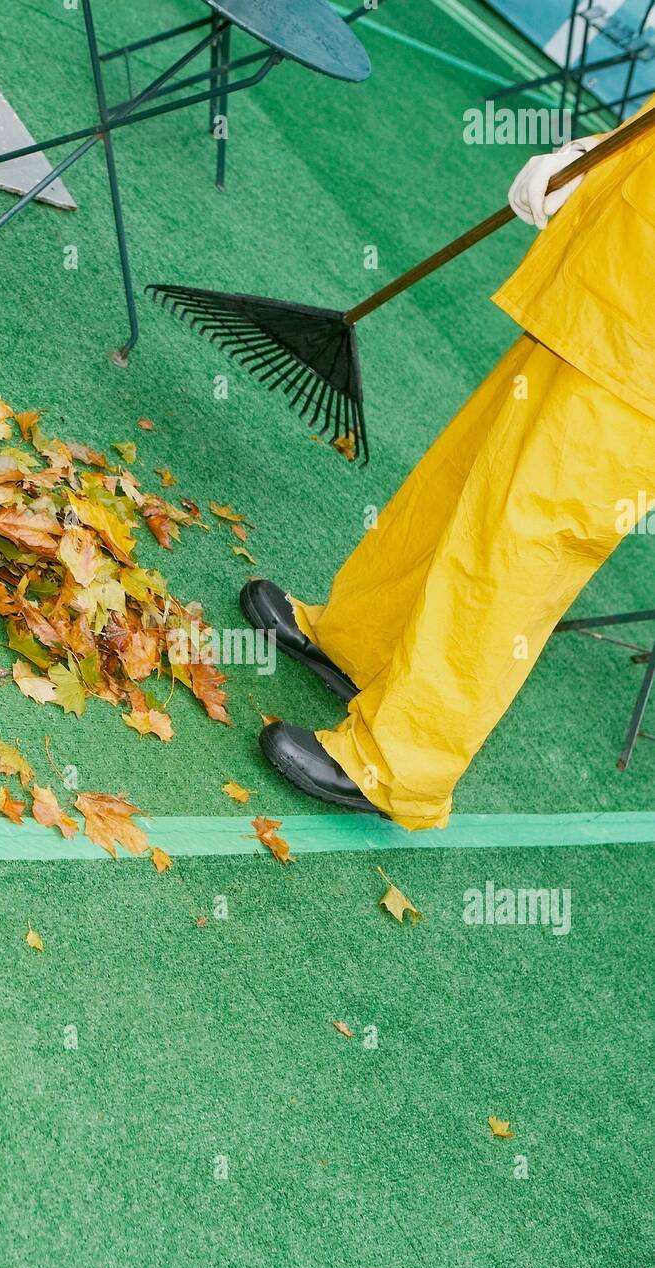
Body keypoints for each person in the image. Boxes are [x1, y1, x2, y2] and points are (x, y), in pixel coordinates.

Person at [243, 97, 655, 830]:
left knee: (517, 552)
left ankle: (399, 765)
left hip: (642, 359)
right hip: (606, 288)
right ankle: (364, 646)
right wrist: (597, 154)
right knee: (462, 487)